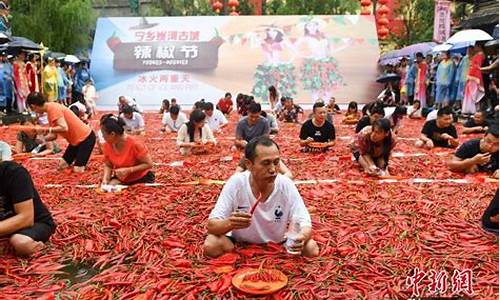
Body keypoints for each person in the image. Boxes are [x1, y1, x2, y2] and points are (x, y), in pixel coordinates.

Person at [204, 136, 319, 258]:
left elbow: (305, 223)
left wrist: (302, 236)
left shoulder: (285, 184)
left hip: (277, 245)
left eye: (276, 162)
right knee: (211, 245)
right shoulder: (236, 183)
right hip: (240, 245)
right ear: (248, 164)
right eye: (266, 163)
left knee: (310, 248)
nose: (273, 170)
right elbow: (211, 226)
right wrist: (230, 223)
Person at [26, 92, 96, 172]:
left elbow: (63, 128)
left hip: (86, 138)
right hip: (75, 142)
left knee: (78, 170)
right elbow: (54, 136)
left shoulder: (53, 108)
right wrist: (42, 139)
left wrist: (47, 129)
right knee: (62, 166)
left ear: (33, 106)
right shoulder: (50, 109)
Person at [0, 160, 57, 256]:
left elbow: (26, 218)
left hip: (35, 222)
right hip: (4, 224)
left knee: (21, 243)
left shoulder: (14, 173)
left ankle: (42, 248)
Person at [100, 114, 154, 186]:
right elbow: (108, 165)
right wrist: (106, 179)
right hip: (122, 178)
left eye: (104, 134)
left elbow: (149, 164)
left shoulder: (135, 144)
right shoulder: (107, 145)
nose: (103, 137)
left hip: (141, 178)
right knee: (109, 190)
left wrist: (129, 170)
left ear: (112, 134)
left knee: (135, 192)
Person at [462, 43, 486, 115]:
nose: (474, 48)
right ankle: (471, 110)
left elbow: (477, 67)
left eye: (475, 46)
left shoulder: (479, 55)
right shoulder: (479, 55)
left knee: (473, 93)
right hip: (473, 75)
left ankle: (472, 110)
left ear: (479, 46)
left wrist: (472, 68)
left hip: (474, 76)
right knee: (471, 93)